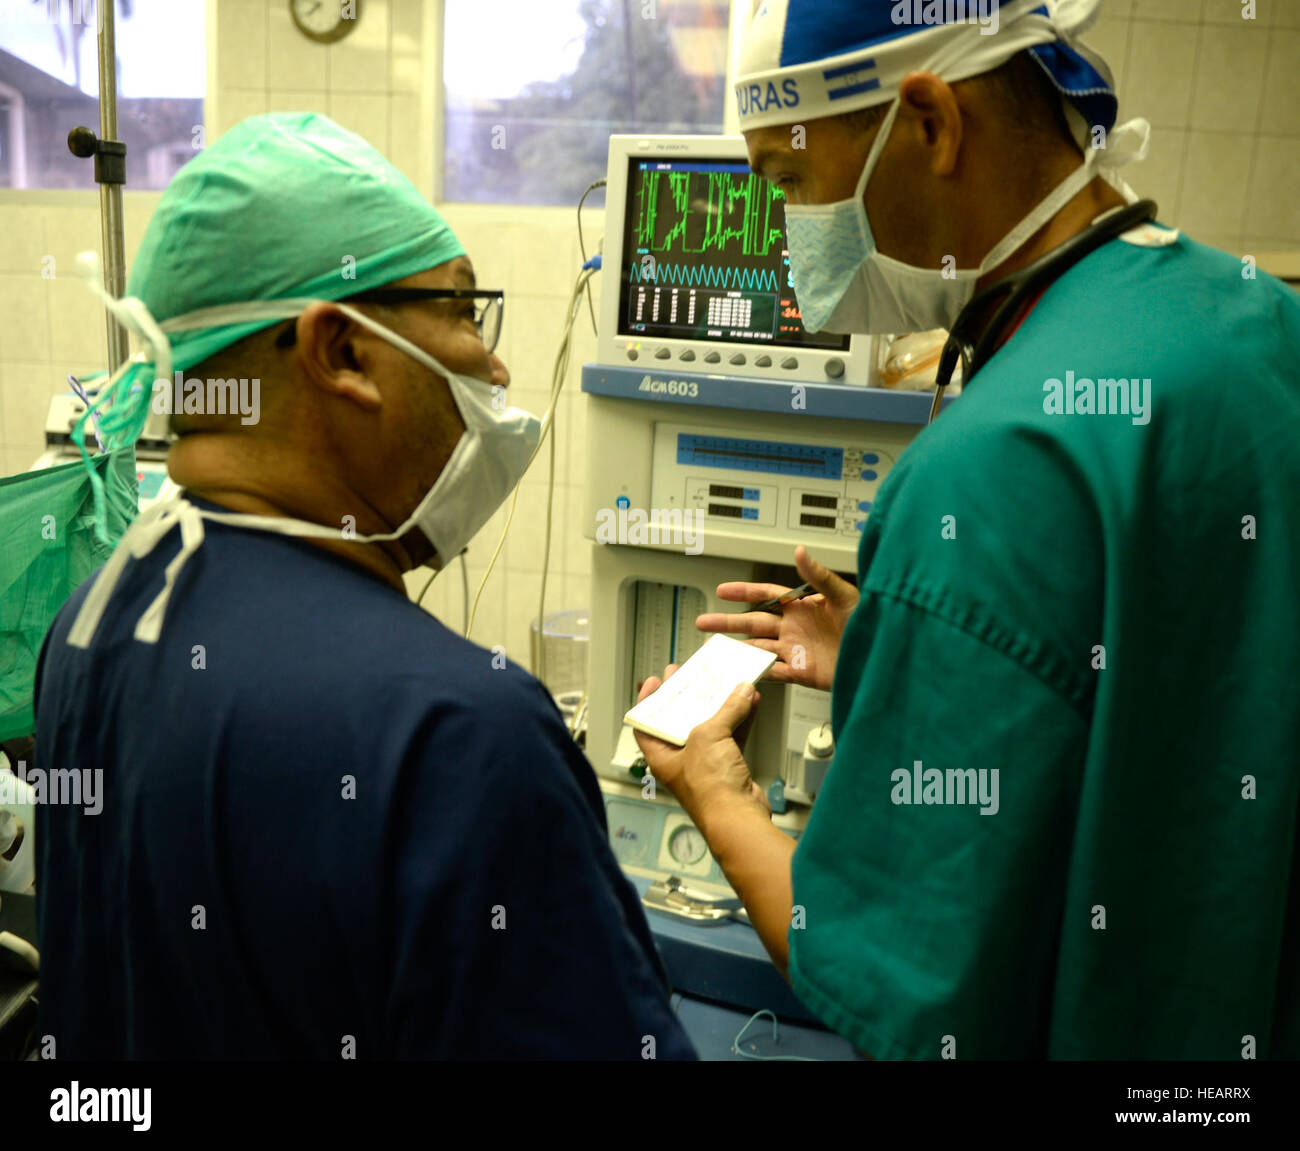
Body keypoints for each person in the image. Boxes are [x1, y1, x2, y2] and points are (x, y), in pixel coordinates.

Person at [633, 0, 1300, 1059]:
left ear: (931, 123)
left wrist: (711, 780)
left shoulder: (996, 461)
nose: (793, 237)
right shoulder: (1257, 318)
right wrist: (912, 651)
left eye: (793, 185)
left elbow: (888, 975)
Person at [34, 112, 695, 1060]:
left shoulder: (94, 617)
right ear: (341, 351)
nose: (496, 364)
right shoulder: (460, 733)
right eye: (465, 312)